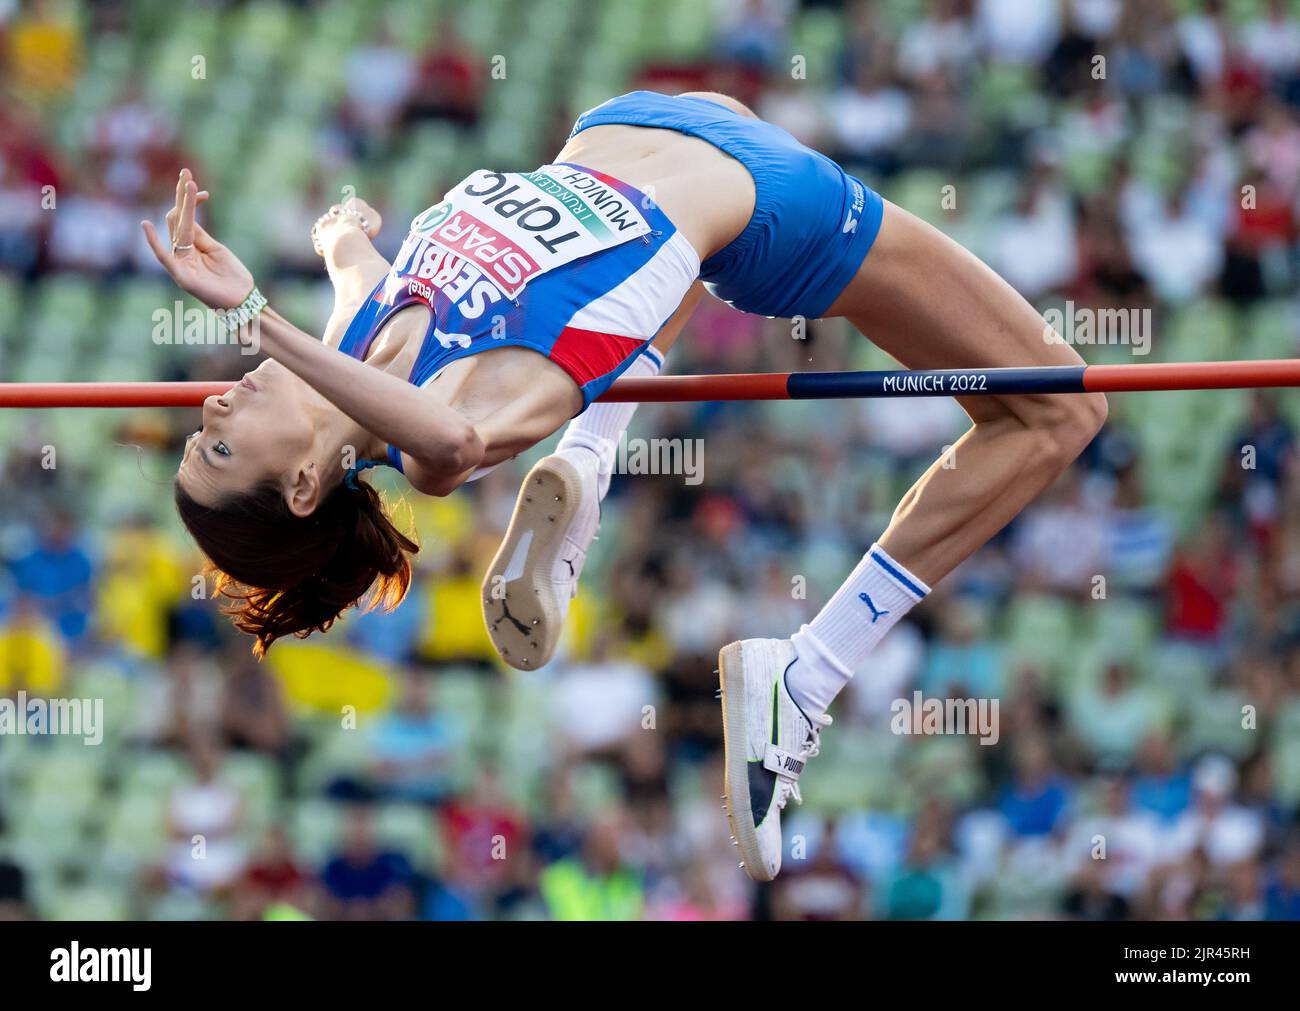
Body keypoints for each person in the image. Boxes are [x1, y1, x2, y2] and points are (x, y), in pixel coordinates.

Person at [144, 90, 1106, 883]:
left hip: (648, 128)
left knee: (624, 289)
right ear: (307, 484)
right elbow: (452, 437)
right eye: (218, 451)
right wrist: (258, 316)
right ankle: (805, 675)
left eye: (198, 432)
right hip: (767, 206)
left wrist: (334, 229)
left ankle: (592, 462)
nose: (213, 411)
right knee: (1062, 409)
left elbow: (351, 255)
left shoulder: (354, 331)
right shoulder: (433, 438)